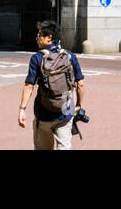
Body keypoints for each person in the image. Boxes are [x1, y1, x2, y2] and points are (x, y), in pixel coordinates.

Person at [18, 21, 85, 150]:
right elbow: (80, 84)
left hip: (44, 112)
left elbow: (29, 86)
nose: (37, 38)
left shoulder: (37, 58)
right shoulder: (70, 56)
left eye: (40, 35)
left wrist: (22, 109)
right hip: (67, 110)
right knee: (64, 147)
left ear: (49, 38)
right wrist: (78, 105)